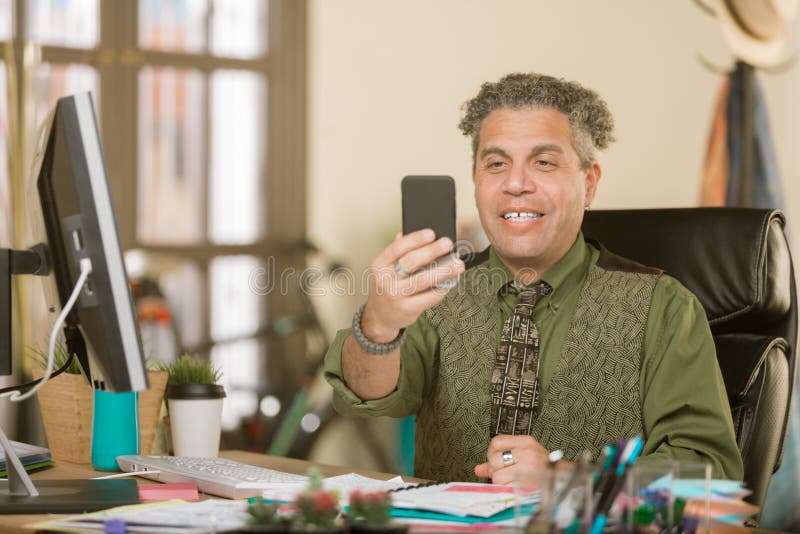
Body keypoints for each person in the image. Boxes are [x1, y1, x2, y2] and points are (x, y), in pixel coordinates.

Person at [323, 72, 743, 484]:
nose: (516, 184)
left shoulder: (665, 307)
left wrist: (567, 478)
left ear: (589, 182)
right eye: (495, 163)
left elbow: (708, 472)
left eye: (543, 162)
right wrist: (378, 325)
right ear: (475, 182)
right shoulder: (432, 292)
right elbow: (368, 396)